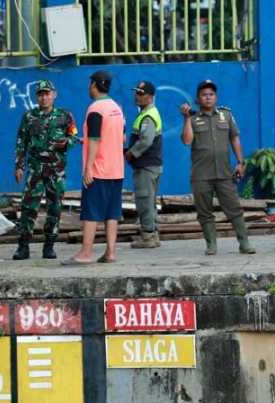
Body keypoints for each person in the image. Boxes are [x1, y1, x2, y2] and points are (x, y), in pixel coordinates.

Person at [179, 80, 255, 255]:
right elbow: (187, 140)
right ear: (198, 99)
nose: (208, 97)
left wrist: (240, 162)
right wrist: (186, 119)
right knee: (204, 211)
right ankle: (211, 244)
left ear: (216, 97)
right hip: (201, 174)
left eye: (211, 94)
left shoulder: (226, 115)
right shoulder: (194, 118)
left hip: (224, 172)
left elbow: (234, 138)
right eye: (204, 95)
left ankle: (244, 243)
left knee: (234, 208)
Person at [65, 70, 125, 265]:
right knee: (112, 213)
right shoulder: (116, 108)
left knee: (91, 212)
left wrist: (88, 168)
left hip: (99, 169)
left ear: (93, 85)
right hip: (117, 169)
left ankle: (85, 253)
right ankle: (111, 252)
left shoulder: (95, 110)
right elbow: (121, 137)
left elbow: (95, 139)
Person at [12, 79, 77, 261]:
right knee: (28, 208)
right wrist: (18, 166)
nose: (44, 97)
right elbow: (21, 142)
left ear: (54, 95)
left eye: (47, 94)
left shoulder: (65, 116)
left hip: (56, 170)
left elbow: (74, 136)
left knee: (54, 207)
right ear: (36, 97)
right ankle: (23, 246)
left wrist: (66, 143)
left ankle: (49, 246)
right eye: (40, 94)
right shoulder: (29, 117)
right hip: (35, 170)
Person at [125, 80, 163, 249]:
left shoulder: (148, 116)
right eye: (137, 93)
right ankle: (153, 233)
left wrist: (131, 153)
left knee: (144, 200)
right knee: (150, 200)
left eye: (141, 94)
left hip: (146, 166)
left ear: (151, 97)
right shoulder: (147, 113)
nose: (137, 96)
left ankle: (148, 236)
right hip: (150, 165)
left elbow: (146, 140)